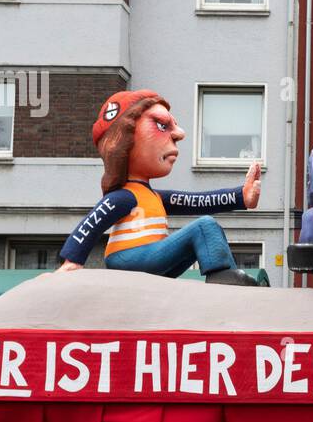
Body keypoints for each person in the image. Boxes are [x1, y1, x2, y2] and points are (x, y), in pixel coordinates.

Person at [57, 90, 259, 285]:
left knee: (205, 236)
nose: (179, 134)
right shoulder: (124, 197)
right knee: (205, 227)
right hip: (128, 259)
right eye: (162, 125)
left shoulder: (153, 196)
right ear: (124, 140)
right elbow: (90, 224)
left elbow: (197, 201)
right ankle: (224, 281)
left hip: (149, 258)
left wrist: (241, 195)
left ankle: (230, 279)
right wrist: (73, 260)